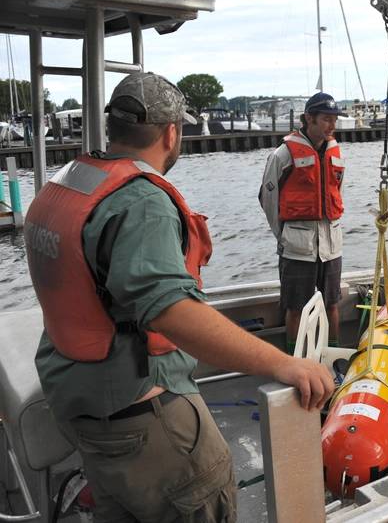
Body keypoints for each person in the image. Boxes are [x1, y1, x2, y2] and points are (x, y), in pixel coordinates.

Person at [25, 72, 334, 522]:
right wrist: (283, 363)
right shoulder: (141, 202)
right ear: (171, 133)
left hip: (81, 407)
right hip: (141, 413)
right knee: (202, 491)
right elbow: (171, 311)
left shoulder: (67, 182)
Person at [259, 92, 347, 353]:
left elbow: (337, 191)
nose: (331, 125)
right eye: (326, 119)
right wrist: (284, 236)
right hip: (297, 247)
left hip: (331, 245)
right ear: (309, 118)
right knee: (295, 307)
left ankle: (333, 359)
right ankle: (294, 360)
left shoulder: (336, 153)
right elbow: (268, 198)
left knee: (332, 303)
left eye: (334, 120)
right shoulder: (283, 154)